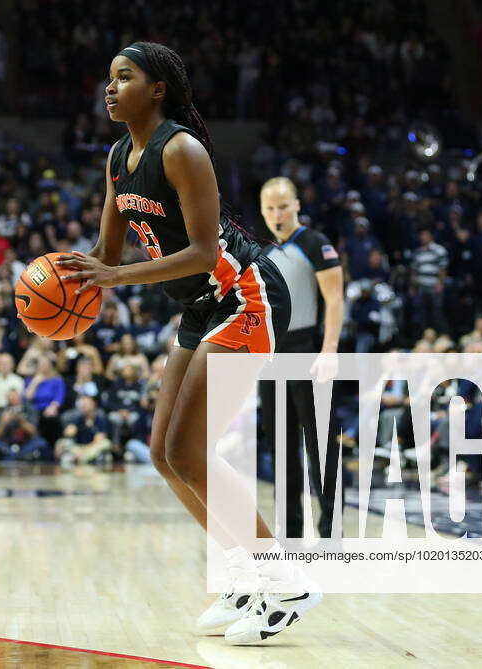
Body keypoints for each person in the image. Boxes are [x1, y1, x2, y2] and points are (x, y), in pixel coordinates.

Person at [54, 42, 318, 644]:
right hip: (196, 307)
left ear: (158, 90)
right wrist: (63, 280)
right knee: (163, 452)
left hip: (243, 295)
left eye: (125, 78)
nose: (110, 87)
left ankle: (286, 582)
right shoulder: (119, 157)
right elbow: (108, 254)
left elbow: (201, 251)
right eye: (108, 78)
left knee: (190, 446)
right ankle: (246, 575)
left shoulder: (181, 149)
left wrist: (115, 279)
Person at [259, 176, 344, 539]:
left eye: (283, 206)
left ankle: (330, 527)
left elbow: (336, 299)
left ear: (297, 205)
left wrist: (329, 349)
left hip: (308, 350)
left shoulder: (315, 243)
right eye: (270, 208)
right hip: (271, 354)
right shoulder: (261, 252)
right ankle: (290, 529)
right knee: (282, 446)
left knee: (319, 442)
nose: (277, 214)